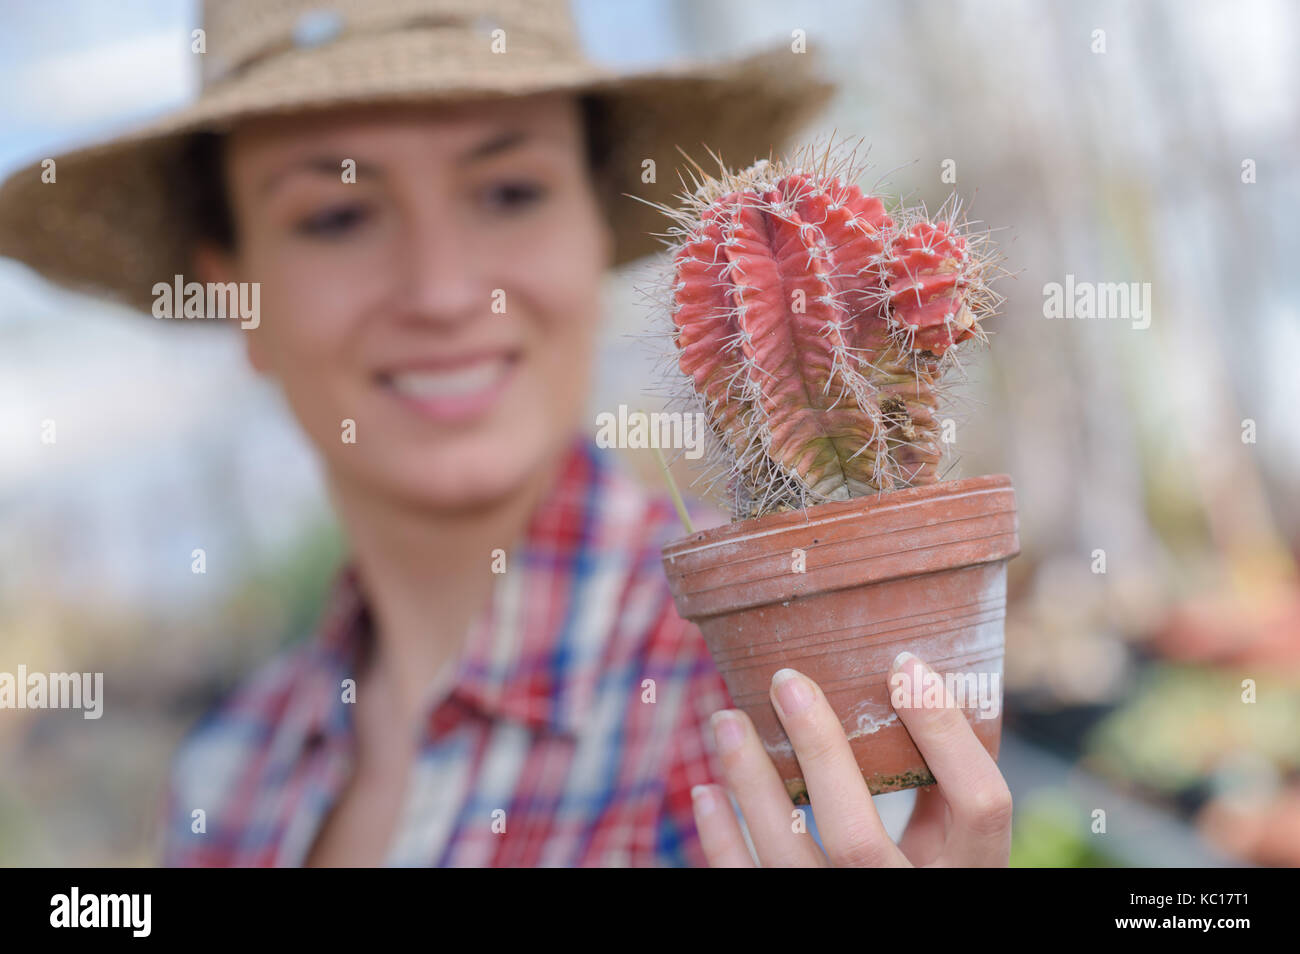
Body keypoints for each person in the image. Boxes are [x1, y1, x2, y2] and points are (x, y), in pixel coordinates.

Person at [0, 0, 1013, 867]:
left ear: (595, 233)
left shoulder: (783, 702)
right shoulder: (224, 784)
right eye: (336, 217)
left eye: (509, 192)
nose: (444, 290)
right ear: (234, 293)